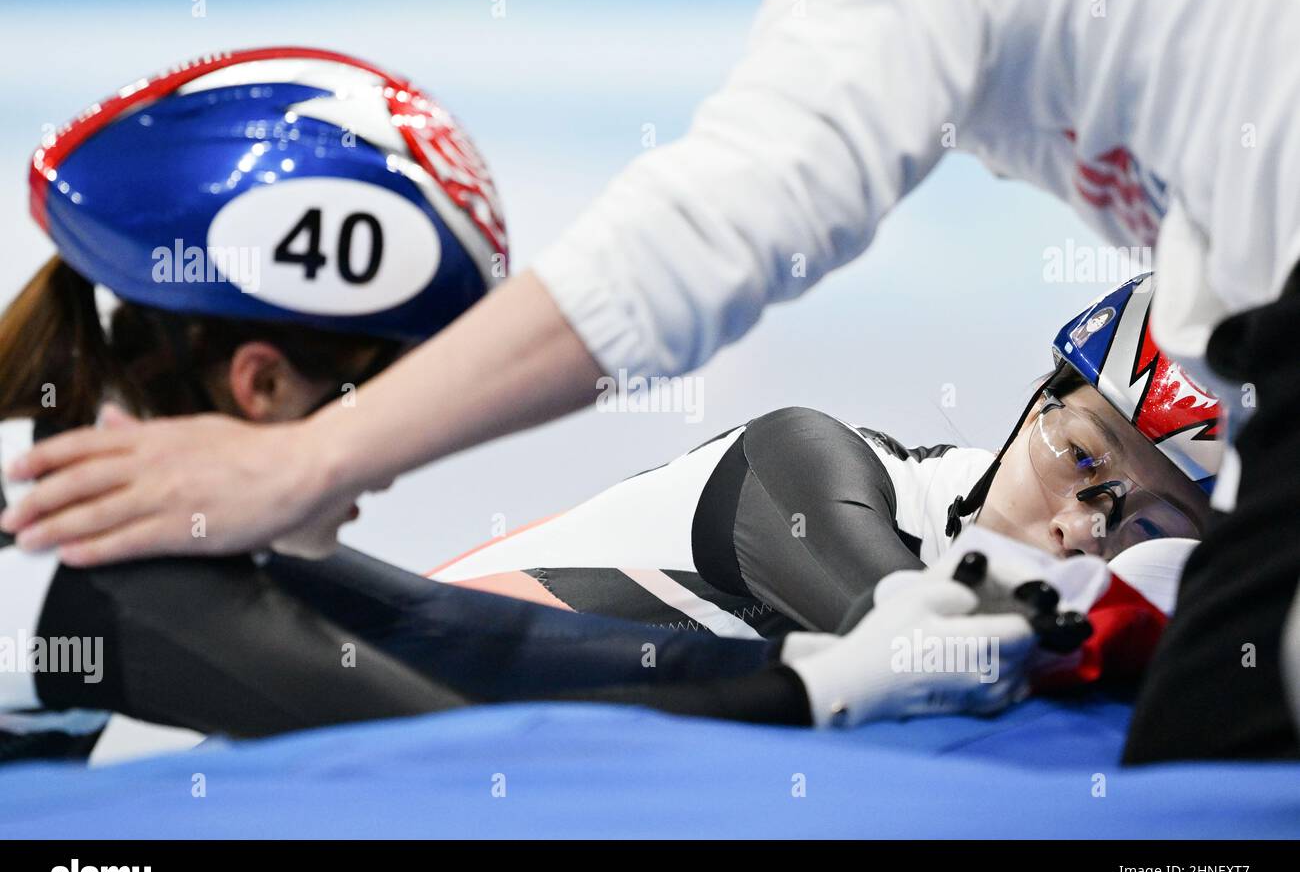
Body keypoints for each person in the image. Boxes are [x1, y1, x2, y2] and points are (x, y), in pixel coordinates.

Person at [7, 0, 1300, 762]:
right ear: (258, 394)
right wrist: (814, 699)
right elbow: (465, 756)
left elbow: (453, 640)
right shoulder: (102, 573)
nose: (384, 460)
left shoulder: (110, 538)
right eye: (380, 391)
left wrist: (818, 674)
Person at [435, 275, 1218, 640]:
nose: (1085, 531)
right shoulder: (807, 466)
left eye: (1150, 530)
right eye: (1080, 459)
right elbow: (918, 636)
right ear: (1028, 412)